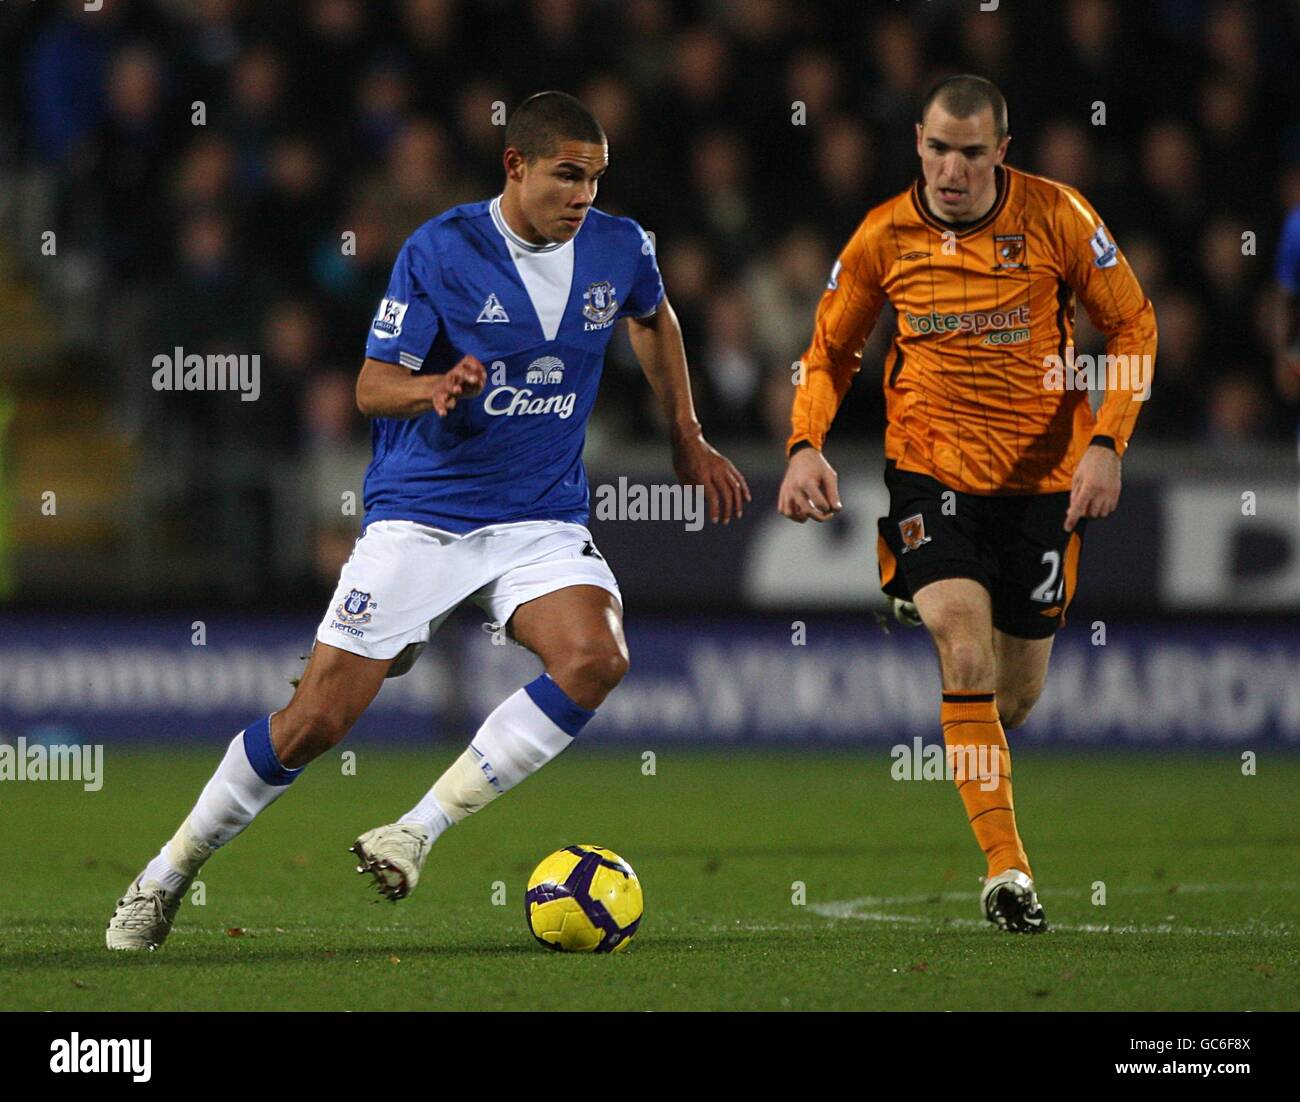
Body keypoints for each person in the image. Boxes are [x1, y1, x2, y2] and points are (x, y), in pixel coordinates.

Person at [107, 91, 749, 950]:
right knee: (314, 724)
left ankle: (416, 830)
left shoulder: (618, 247)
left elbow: (654, 318)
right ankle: (165, 874)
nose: (583, 195)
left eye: (595, 178)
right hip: (426, 514)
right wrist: (433, 388)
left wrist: (688, 439)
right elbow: (373, 384)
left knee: (598, 656)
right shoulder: (441, 250)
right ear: (515, 166)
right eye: (567, 175)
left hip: (539, 516)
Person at [778, 75, 1157, 933]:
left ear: (1002, 153)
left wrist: (1107, 443)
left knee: (1013, 701)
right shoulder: (883, 235)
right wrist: (805, 445)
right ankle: (1007, 873)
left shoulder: (1058, 217)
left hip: (1044, 480)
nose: (952, 169)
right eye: (939, 149)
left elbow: (1135, 326)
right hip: (930, 470)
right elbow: (831, 350)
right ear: (918, 141)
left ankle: (933, 598)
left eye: (972, 152)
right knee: (964, 653)